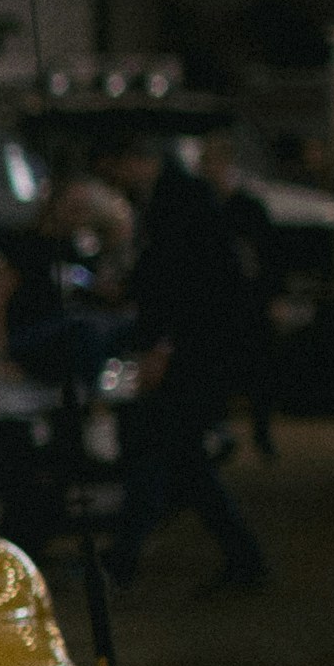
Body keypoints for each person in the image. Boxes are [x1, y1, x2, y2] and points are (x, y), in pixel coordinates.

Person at [107, 132, 272, 592]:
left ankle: (129, 556)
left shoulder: (175, 205)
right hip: (198, 348)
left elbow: (187, 284)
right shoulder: (181, 199)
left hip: (192, 350)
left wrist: (164, 345)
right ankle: (130, 555)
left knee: (170, 451)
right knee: (177, 454)